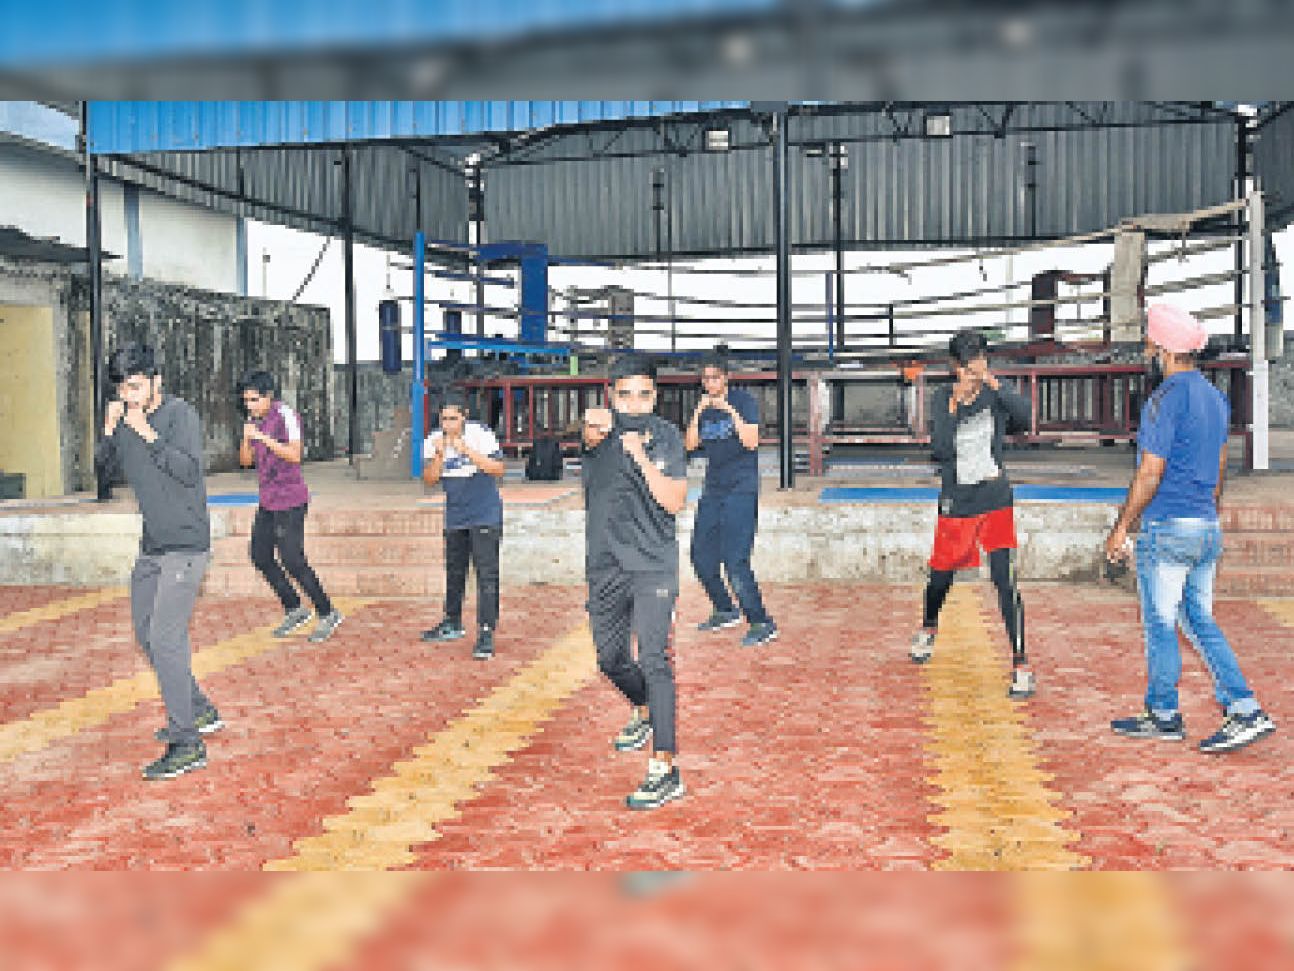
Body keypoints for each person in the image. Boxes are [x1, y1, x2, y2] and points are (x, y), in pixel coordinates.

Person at [1106, 303, 1275, 753]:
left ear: (1162, 348)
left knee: (1163, 623)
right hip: (1204, 524)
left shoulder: (1164, 399)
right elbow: (1220, 467)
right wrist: (1207, 513)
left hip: (1168, 527)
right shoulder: (1213, 397)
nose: (1146, 348)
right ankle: (1177, 709)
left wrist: (1123, 526)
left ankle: (1237, 708)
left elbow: (1149, 473)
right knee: (1197, 618)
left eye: (1148, 341)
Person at [95, 342, 220, 780]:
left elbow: (188, 471)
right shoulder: (124, 420)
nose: (128, 395)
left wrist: (146, 431)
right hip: (153, 546)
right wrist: (111, 432)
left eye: (136, 386)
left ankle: (187, 742)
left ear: (155, 382)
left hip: (186, 544)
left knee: (166, 638)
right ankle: (200, 708)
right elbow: (103, 476)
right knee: (147, 635)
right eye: (122, 388)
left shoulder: (179, 415)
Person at [582, 356, 689, 810]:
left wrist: (640, 455)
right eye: (626, 394)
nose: (635, 403)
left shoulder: (665, 437)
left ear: (655, 395)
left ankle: (665, 766)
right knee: (609, 660)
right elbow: (588, 431)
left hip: (653, 565)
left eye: (644, 394)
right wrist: (594, 426)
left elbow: (674, 502)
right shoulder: (599, 430)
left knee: (654, 660)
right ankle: (644, 710)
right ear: (612, 394)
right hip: (605, 565)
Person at [911, 330, 1036, 700]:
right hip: (958, 501)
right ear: (955, 366)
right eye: (966, 364)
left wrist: (995, 385)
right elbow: (940, 451)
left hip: (995, 498)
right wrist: (954, 406)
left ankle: (1021, 662)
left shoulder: (997, 393)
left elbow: (1025, 418)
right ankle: (929, 626)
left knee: (1005, 578)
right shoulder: (941, 398)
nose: (973, 369)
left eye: (979, 361)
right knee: (940, 577)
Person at [238, 371, 343, 643]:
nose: (250, 405)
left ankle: (327, 611)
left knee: (292, 559)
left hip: (291, 499)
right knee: (259, 555)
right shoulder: (252, 421)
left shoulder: (286, 416)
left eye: (254, 400)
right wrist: (247, 438)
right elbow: (246, 462)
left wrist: (264, 439)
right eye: (246, 401)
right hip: (268, 500)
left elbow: (295, 455)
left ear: (268, 396)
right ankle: (294, 608)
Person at [684, 352, 777, 646]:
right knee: (700, 555)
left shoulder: (743, 401)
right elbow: (689, 444)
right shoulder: (705, 408)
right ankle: (725, 609)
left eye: (715, 378)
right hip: (713, 487)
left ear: (726, 378)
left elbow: (751, 442)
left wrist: (728, 409)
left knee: (735, 560)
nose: (710, 383)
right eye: (705, 379)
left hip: (741, 487)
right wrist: (699, 411)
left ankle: (761, 622)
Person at [420, 392, 505, 660]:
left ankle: (486, 632)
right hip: (456, 516)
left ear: (464, 417)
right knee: (455, 572)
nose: (448, 425)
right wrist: (440, 455)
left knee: (486, 576)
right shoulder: (432, 441)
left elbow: (498, 469)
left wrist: (466, 449)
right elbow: (430, 480)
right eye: (444, 419)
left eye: (453, 419)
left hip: (484, 513)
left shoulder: (481, 434)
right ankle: (452, 621)